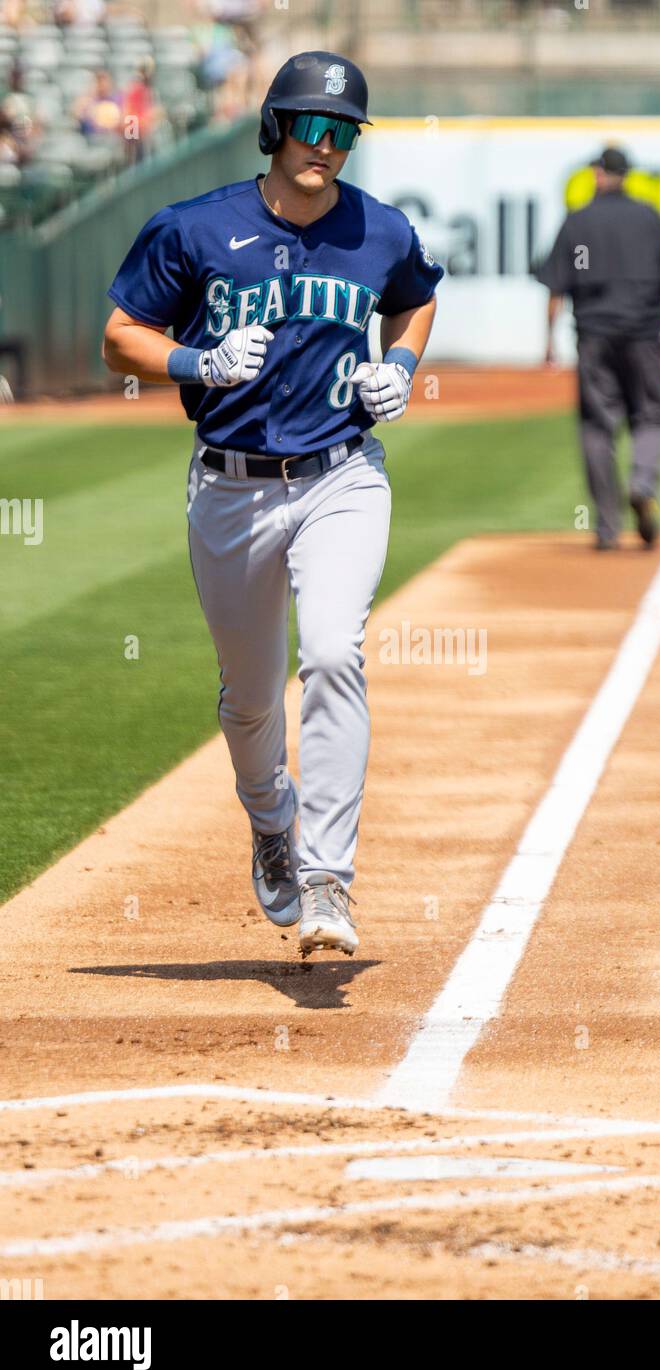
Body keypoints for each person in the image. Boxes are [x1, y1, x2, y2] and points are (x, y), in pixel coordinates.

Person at [102, 51, 442, 958]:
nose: (325, 146)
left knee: (333, 652)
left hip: (341, 473)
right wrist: (194, 363)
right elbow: (118, 337)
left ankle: (329, 876)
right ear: (274, 127)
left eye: (342, 132)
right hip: (229, 488)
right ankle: (270, 820)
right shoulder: (194, 229)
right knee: (251, 700)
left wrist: (399, 369)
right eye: (311, 126)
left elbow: (414, 302)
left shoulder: (379, 229)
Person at [537, 147, 660, 550]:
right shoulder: (650, 217)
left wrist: (549, 341)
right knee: (652, 414)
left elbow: (556, 288)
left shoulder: (578, 220)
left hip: (594, 335)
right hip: (643, 334)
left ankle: (606, 527)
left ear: (599, 174)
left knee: (597, 426)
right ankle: (642, 483)